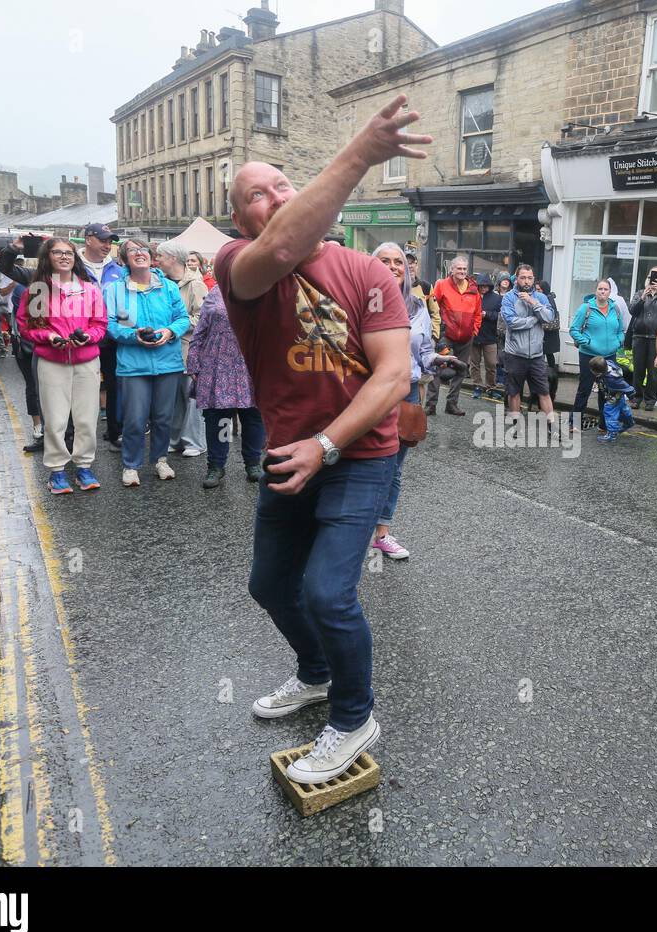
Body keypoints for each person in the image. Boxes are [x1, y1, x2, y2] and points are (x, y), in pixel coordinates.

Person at [216, 95, 426, 785]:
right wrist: (363, 150)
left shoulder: (367, 272)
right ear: (239, 218)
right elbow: (279, 246)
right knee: (271, 585)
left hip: (357, 457)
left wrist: (327, 446)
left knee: (329, 592)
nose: (272, 197)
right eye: (255, 194)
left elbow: (394, 375)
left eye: (282, 183)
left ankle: (353, 715)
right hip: (287, 452)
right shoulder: (238, 263)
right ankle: (313, 673)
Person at [17, 238, 108, 494]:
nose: (65, 257)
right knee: (55, 419)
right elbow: (28, 326)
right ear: (48, 257)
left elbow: (100, 324)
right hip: (52, 361)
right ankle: (57, 471)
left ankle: (84, 467)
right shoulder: (37, 290)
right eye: (58, 252)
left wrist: (88, 336)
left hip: (86, 360)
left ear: (75, 258)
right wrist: (49, 337)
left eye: (69, 253)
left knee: (87, 419)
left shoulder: (90, 290)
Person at [102, 239, 193, 487]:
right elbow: (111, 325)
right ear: (124, 258)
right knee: (134, 418)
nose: (139, 253)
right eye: (132, 250)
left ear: (151, 257)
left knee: (164, 416)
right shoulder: (115, 290)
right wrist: (134, 336)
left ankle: (160, 459)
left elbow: (182, 318)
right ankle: (131, 465)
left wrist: (169, 332)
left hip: (168, 362)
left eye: (143, 249)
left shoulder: (167, 286)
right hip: (133, 364)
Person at [370, 242, 435, 559]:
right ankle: (348, 529)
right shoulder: (361, 302)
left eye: (399, 262)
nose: (394, 266)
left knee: (393, 468)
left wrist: (439, 364)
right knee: (362, 461)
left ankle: (382, 533)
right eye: (385, 260)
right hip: (368, 391)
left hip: (406, 390)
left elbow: (424, 352)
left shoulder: (417, 307)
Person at [186, 284, 266, 489]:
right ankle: (216, 465)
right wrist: (194, 362)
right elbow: (201, 329)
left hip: (251, 362)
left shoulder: (264, 289)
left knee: (252, 416)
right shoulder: (216, 292)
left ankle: (253, 464)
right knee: (219, 418)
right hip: (217, 363)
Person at [156, 240, 208, 458]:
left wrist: (174, 326)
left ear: (173, 258)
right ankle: (176, 439)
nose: (156, 260)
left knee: (191, 397)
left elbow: (203, 318)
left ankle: (195, 441)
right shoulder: (159, 283)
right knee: (174, 397)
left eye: (160, 256)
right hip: (167, 350)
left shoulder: (196, 284)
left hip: (189, 348)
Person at [78, 224, 127, 447]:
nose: (108, 245)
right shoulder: (73, 267)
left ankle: (115, 431)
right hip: (83, 336)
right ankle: (77, 434)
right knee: (83, 385)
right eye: (103, 240)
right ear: (89, 239)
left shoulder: (118, 269)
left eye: (110, 241)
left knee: (114, 383)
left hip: (111, 336)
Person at [0, 239, 47, 452]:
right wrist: (13, 248)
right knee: (33, 386)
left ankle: (61, 435)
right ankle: (39, 430)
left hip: (59, 345)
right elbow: (5, 267)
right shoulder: (33, 277)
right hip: (28, 342)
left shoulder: (74, 279)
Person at [499, 264, 556, 417]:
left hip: (536, 356)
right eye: (523, 277)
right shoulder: (509, 298)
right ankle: (515, 423)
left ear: (533, 279)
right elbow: (511, 322)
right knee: (514, 392)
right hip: (515, 354)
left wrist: (533, 302)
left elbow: (549, 317)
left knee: (544, 392)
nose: (526, 281)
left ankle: (552, 426)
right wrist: (533, 320)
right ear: (516, 279)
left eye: (530, 278)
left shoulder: (541, 297)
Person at [427, 256, 481, 416]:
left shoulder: (473, 289)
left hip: (466, 337)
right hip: (446, 335)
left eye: (464, 269)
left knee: (461, 371)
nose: (462, 271)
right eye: (459, 268)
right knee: (437, 369)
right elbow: (432, 307)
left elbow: (478, 313)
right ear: (451, 269)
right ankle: (430, 405)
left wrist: (474, 330)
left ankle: (452, 404)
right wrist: (436, 332)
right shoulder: (441, 285)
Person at [569, 278, 625, 429]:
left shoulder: (616, 309)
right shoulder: (586, 308)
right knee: (584, 389)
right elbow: (573, 329)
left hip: (609, 356)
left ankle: (604, 424)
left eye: (605, 289)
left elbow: (621, 330)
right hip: (589, 355)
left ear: (609, 292)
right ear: (596, 291)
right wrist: (587, 342)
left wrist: (618, 341)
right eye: (600, 289)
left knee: (606, 391)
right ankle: (574, 422)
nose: (602, 292)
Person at [627, 267, 657, 410]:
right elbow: (632, 310)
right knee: (638, 370)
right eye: (650, 276)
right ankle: (636, 398)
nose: (653, 280)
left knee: (653, 371)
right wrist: (642, 298)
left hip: (656, 337)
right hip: (639, 336)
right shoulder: (640, 293)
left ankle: (650, 400)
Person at [469, 273, 500, 399]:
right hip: (474, 335)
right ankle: (477, 386)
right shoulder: (472, 296)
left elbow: (500, 315)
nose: (483, 288)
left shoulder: (497, 298)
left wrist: (486, 314)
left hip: (490, 336)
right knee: (474, 364)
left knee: (491, 364)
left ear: (490, 286)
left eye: (485, 286)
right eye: (481, 286)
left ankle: (491, 387)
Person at [591, 355, 635, 442]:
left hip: (613, 397)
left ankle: (612, 434)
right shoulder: (609, 365)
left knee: (609, 413)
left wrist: (631, 395)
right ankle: (629, 422)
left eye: (593, 371)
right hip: (619, 395)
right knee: (622, 409)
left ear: (599, 373)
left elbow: (626, 386)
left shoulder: (612, 378)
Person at [535, 279, 561, 408]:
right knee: (545, 354)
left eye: (539, 289)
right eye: (537, 289)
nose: (538, 291)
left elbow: (552, 317)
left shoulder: (549, 299)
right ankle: (547, 375)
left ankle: (550, 375)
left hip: (548, 334)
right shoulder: (543, 298)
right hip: (545, 334)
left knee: (547, 354)